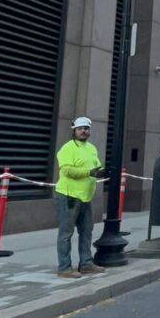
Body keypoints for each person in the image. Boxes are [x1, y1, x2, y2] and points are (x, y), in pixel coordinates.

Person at [54, 116, 108, 278]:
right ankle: (64, 268)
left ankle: (86, 264)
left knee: (86, 231)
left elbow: (96, 167)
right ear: (74, 131)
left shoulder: (91, 148)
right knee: (66, 233)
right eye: (80, 129)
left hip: (85, 197)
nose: (83, 131)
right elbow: (66, 170)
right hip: (69, 195)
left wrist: (103, 171)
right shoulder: (68, 148)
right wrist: (89, 173)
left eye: (86, 128)